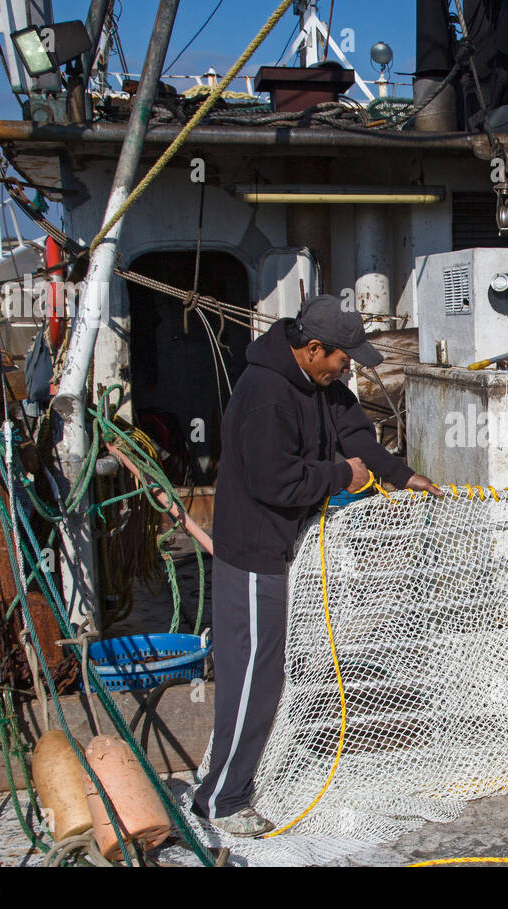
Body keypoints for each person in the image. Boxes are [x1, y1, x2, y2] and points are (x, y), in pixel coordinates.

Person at [193, 294, 442, 836]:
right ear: (311, 349)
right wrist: (340, 478)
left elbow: (354, 434)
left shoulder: (319, 383)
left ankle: (227, 790)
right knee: (253, 678)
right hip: (254, 555)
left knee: (268, 673)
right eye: (341, 359)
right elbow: (274, 481)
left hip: (284, 548)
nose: (347, 368)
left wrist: (400, 475)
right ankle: (222, 801)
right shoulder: (265, 396)